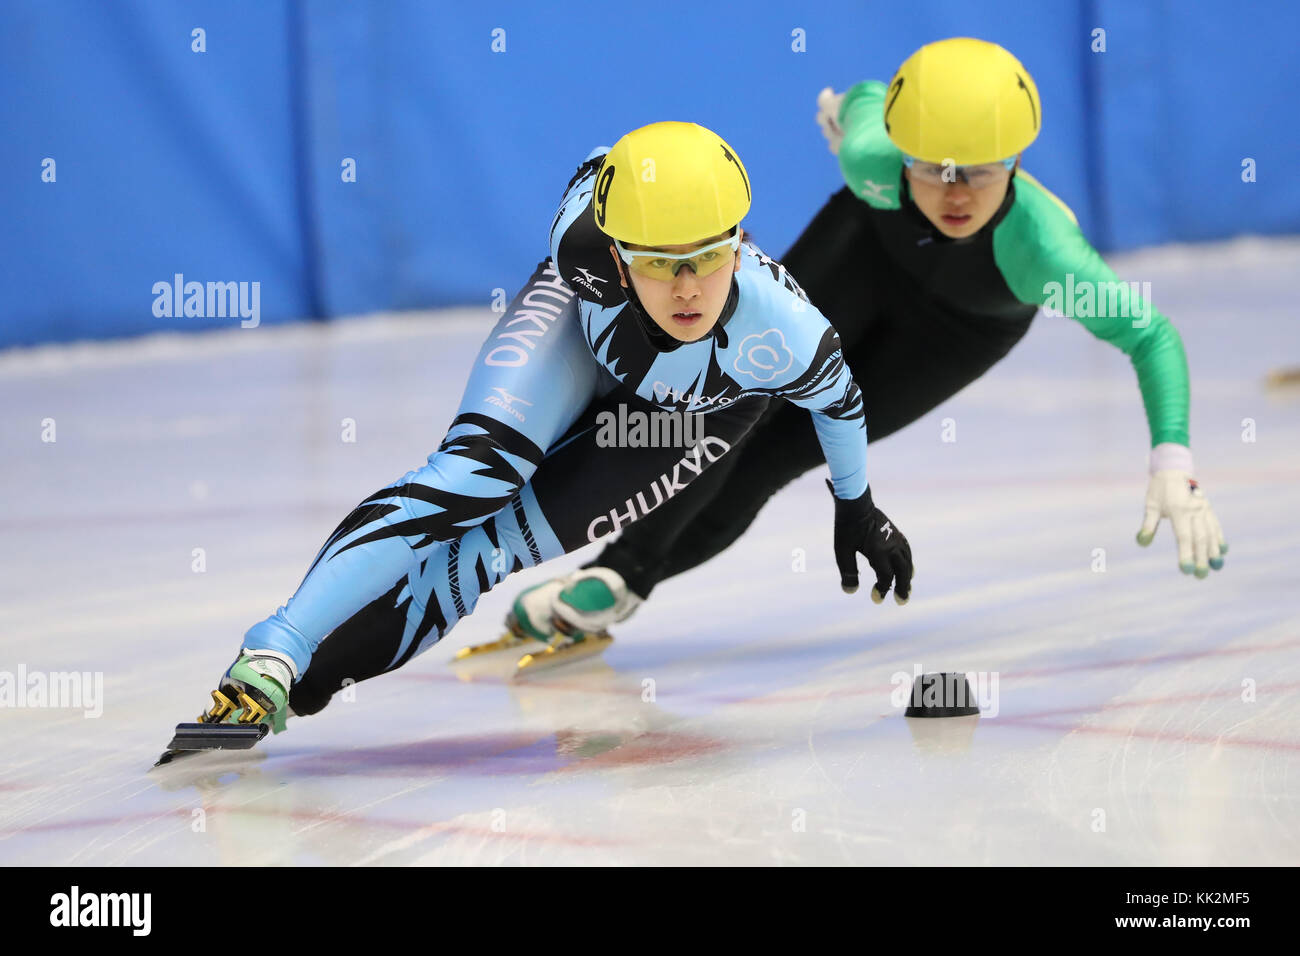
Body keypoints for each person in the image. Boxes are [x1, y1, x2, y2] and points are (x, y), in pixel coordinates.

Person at [493, 36, 1227, 655]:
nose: (955, 193)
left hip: (965, 325)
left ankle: (619, 582)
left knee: (779, 455)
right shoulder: (873, 159)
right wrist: (850, 112)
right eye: (933, 168)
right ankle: (587, 524)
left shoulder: (1046, 254)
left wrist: (1174, 457)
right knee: (737, 401)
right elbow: (873, 95)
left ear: (1016, 159)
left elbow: (1150, 335)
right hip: (866, 247)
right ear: (901, 152)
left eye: (978, 170)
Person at [179, 121, 915, 738]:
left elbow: (840, 406)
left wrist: (857, 505)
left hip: (695, 411)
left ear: (739, 240)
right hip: (578, 331)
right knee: (470, 478)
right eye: (660, 263)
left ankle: (309, 686)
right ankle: (272, 654)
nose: (687, 287)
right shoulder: (583, 249)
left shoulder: (783, 334)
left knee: (488, 554)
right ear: (619, 255)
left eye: (708, 258)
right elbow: (604, 168)